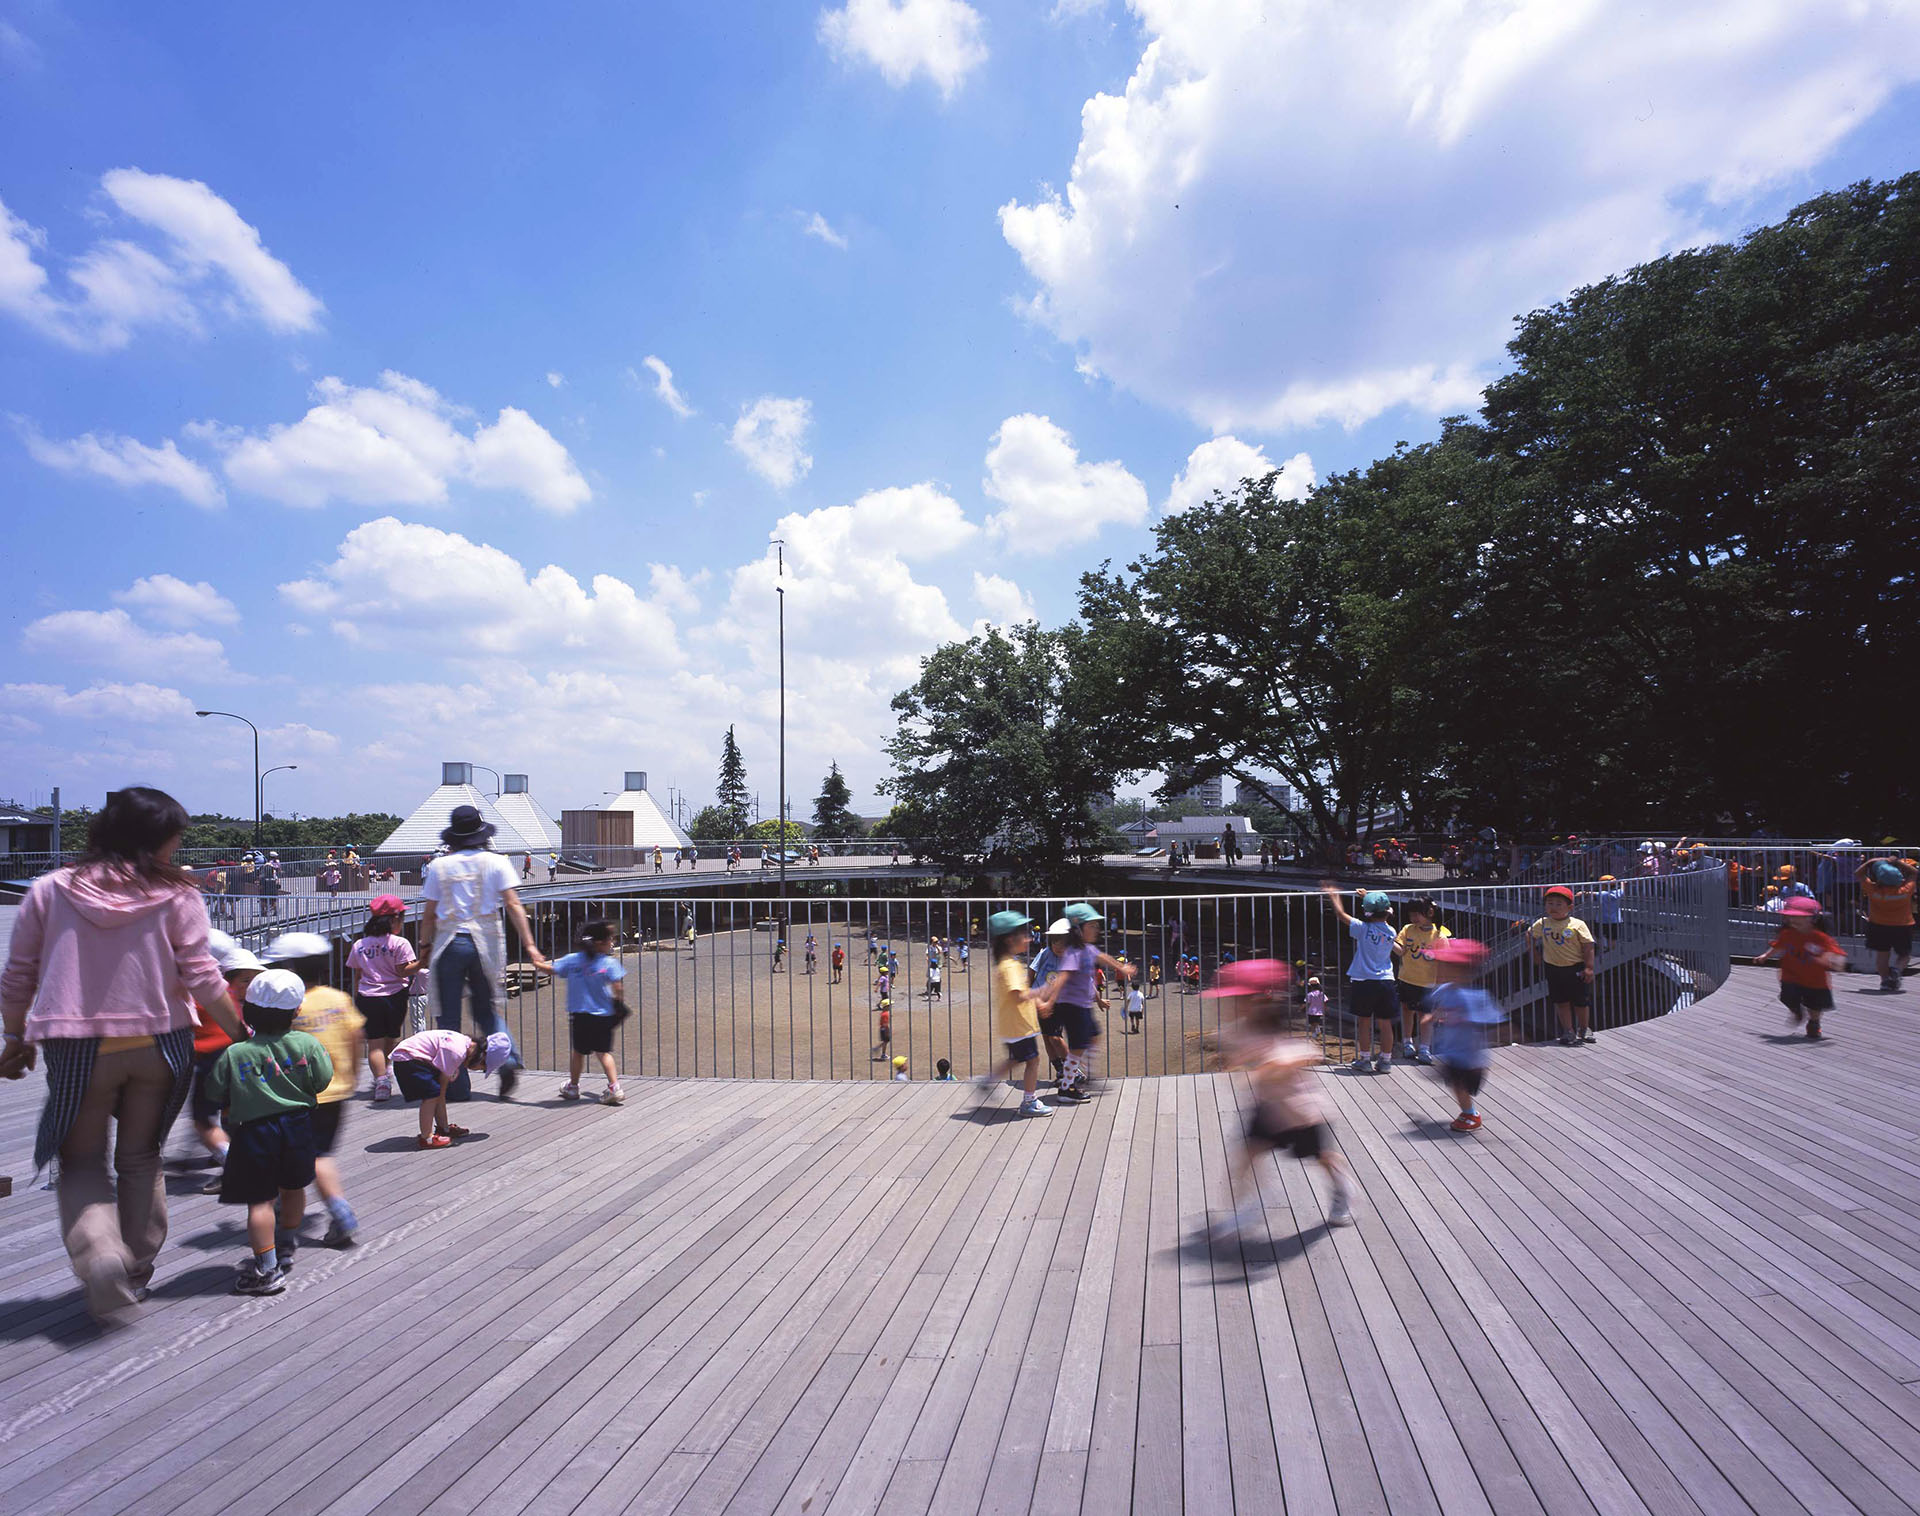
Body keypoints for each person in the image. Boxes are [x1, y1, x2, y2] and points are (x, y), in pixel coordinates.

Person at [0, 787, 244, 1319]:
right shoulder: (178, 894)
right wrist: (241, 1033)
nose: (177, 848)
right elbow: (202, 977)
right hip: (161, 1041)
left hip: (76, 1045)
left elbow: (17, 975)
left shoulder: (50, 890)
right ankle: (135, 1270)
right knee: (140, 1157)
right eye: (174, 838)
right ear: (159, 840)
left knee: (82, 1159)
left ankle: (101, 1254)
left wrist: (14, 1038)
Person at [1202, 960, 1354, 1239]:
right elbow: (1238, 1049)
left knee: (1322, 1157)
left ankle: (1342, 1188)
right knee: (1246, 1156)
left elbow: (1306, 1053)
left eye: (1238, 999)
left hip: (1301, 1113)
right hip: (1269, 1109)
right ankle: (1248, 1208)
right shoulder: (1243, 1030)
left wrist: (1270, 1066)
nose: (1231, 1005)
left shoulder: (1277, 1032)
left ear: (1259, 1001)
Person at [205, 968, 333, 1295]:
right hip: (298, 1126)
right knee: (293, 1188)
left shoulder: (236, 1052)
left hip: (253, 1132)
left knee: (260, 1202)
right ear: (296, 1011)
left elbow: (214, 1090)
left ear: (247, 1009)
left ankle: (267, 1268)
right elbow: (322, 1080)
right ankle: (287, 1243)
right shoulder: (308, 1044)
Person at [413, 805, 552, 1099]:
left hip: (450, 942)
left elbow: (429, 914)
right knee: (486, 1012)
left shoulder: (440, 866)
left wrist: (424, 947)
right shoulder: (496, 862)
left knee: (448, 1019)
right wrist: (529, 945)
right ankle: (508, 1060)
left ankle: (456, 1087)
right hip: (484, 944)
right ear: (481, 834)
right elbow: (513, 904)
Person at [262, 932, 365, 1250]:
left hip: (293, 1097)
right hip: (336, 1091)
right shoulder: (338, 999)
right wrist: (353, 1076)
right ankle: (338, 1210)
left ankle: (288, 1226)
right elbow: (356, 1037)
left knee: (290, 1162)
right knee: (321, 1155)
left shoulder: (285, 1006)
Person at [974, 911, 1063, 1115]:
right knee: (1033, 1061)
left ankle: (987, 1081)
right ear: (1009, 939)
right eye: (1024, 935)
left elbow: (1020, 992)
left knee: (1016, 1058)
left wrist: (1038, 1002)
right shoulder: (1010, 966)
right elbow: (1018, 995)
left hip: (1013, 1025)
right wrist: (1042, 992)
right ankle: (1029, 1101)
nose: (1029, 938)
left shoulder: (1008, 963)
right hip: (1019, 1026)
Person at [1050, 903, 1133, 1101]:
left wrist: (1120, 967)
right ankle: (1066, 1088)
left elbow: (1102, 957)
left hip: (1083, 1006)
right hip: (1071, 1006)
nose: (1097, 929)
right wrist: (1049, 1001)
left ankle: (1084, 1075)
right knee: (1077, 1047)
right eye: (1092, 926)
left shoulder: (1087, 949)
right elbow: (1062, 977)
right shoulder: (1073, 952)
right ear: (1078, 929)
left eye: (1097, 925)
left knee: (1093, 1036)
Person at [1425, 939, 1504, 1131]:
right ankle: (1469, 1112)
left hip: (1470, 1055)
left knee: (1460, 1085)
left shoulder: (1475, 997)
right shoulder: (1444, 990)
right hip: (1452, 1050)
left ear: (1462, 970)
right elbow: (1440, 1007)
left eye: (1446, 966)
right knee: (1455, 1083)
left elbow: (1490, 1021)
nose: (1441, 969)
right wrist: (1432, 1017)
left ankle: (1471, 1115)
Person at [347, 895, 419, 1103]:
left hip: (368, 998)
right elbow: (403, 971)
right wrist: (423, 962)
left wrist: (356, 997)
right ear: (394, 919)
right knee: (390, 1038)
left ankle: (381, 1079)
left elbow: (357, 974)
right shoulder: (400, 943)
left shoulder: (360, 944)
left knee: (374, 1043)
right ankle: (384, 1075)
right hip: (395, 997)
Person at [388, 1029, 514, 1147]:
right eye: (483, 1068)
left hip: (412, 1057)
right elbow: (442, 1090)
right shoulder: (456, 1053)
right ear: (482, 1058)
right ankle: (426, 1138)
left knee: (436, 1092)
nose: (479, 1070)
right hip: (407, 1059)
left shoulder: (464, 1043)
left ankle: (443, 1129)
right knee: (432, 1094)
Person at [1321, 885, 1399, 1072]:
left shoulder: (1362, 929)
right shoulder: (1391, 931)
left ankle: (1364, 1059)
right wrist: (1367, 897)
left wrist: (1334, 895)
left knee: (1364, 1022)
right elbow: (1377, 914)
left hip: (1364, 980)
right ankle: (1386, 1061)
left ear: (1367, 913)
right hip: (1386, 980)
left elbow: (1341, 915)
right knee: (1385, 1023)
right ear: (1388, 912)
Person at [552, 919, 628, 1105]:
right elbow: (618, 987)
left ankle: (573, 1087)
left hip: (580, 1015)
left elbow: (552, 969)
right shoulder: (609, 962)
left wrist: (536, 960)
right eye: (610, 938)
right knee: (604, 1052)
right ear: (600, 942)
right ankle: (614, 1087)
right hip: (604, 1015)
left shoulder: (573, 959)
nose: (613, 942)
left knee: (578, 1052)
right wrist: (618, 1002)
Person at [1754, 896, 1845, 1038]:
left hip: (1815, 980)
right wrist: (1765, 956)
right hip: (1791, 975)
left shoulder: (1821, 938)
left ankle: (1814, 1023)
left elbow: (1835, 953)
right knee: (1787, 997)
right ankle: (1797, 1011)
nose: (1793, 920)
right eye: (1790, 917)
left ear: (1812, 919)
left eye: (1798, 917)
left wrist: (1837, 962)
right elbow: (1778, 946)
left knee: (1815, 1006)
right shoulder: (1788, 934)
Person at [1529, 885, 1597, 1045]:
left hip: (1575, 968)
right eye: (1550, 903)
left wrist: (1589, 967)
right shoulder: (1542, 923)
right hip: (1553, 969)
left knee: (1581, 1001)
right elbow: (1529, 935)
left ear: (1570, 907)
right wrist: (1535, 953)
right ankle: (1568, 1031)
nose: (1553, 907)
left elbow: (1588, 946)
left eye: (1559, 904)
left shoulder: (1578, 924)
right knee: (1561, 1001)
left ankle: (1584, 1028)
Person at [1391, 898, 1450, 1063]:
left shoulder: (1439, 936)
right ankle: (1407, 1042)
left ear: (1429, 913)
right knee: (1406, 1010)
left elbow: (1445, 962)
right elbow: (1401, 951)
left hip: (1428, 983)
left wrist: (1441, 984)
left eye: (1417, 914)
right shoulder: (1408, 929)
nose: (1414, 918)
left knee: (1425, 1015)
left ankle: (1424, 1047)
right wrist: (1389, 940)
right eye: (1411, 915)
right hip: (1407, 978)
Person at [1857, 857, 1915, 992]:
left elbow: (1858, 874)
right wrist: (1897, 862)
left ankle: (1884, 981)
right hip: (1903, 926)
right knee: (1904, 955)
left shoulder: (1873, 890)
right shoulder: (1906, 890)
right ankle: (1897, 969)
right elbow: (1914, 873)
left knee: (1882, 955)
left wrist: (1871, 862)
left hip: (1878, 925)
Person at [1304, 976, 1326, 1041]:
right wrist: (1325, 1008)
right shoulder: (1321, 994)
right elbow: (1324, 1001)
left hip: (1311, 1011)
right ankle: (1317, 1030)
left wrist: (1302, 1008)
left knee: (1312, 1023)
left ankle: (1314, 1033)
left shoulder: (1310, 994)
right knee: (1316, 1021)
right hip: (1319, 1011)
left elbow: (1307, 1002)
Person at [875, 996, 893, 1062]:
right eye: (889, 1006)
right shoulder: (886, 1014)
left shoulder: (884, 1013)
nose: (890, 1007)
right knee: (885, 1041)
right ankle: (883, 1054)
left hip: (883, 1028)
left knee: (885, 1041)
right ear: (886, 1006)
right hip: (884, 1029)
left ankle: (878, 1049)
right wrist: (887, 1031)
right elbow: (885, 1024)